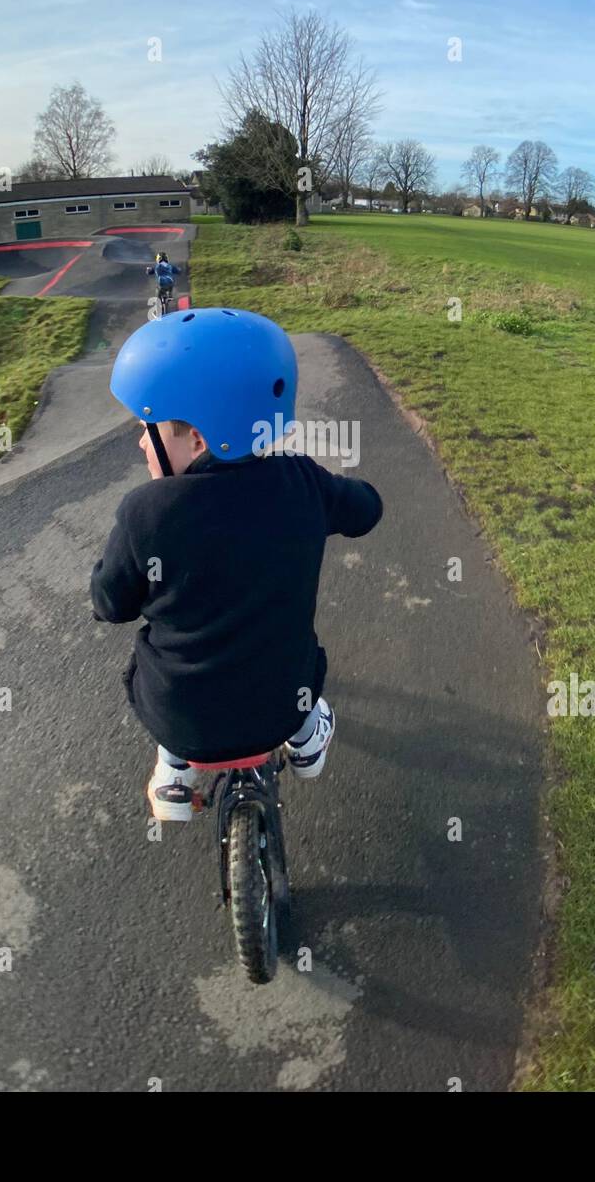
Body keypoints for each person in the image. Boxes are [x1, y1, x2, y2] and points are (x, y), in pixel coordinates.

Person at [90, 307, 383, 821]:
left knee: (155, 662)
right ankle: (307, 739)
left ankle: (175, 773)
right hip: (280, 703)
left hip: (181, 717)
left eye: (149, 427)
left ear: (199, 439)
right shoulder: (302, 483)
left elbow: (111, 605)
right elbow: (366, 511)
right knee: (298, 660)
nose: (140, 441)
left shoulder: (145, 514)